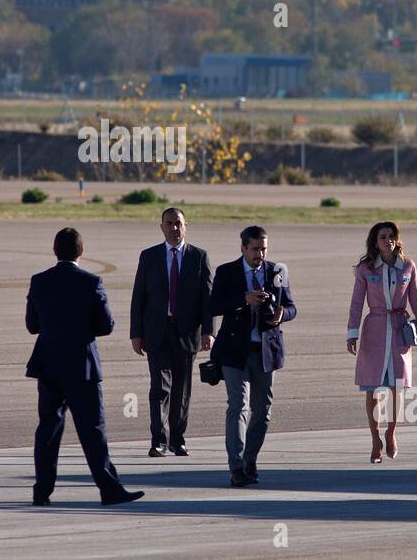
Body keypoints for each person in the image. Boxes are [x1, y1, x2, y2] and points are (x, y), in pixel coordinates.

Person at [25, 228, 143, 507]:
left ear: (55, 251)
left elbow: (32, 326)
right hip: (82, 366)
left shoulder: (39, 281)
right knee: (92, 431)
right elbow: (106, 325)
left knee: (48, 430)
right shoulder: (91, 281)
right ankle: (108, 488)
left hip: (49, 364)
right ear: (81, 251)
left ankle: (42, 491)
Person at [207, 225, 296, 487]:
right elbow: (213, 306)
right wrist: (243, 299)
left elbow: (291, 306)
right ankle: (236, 466)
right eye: (255, 248)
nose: (260, 253)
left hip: (266, 350)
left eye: (264, 248)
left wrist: (282, 314)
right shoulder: (227, 272)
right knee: (238, 405)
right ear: (243, 248)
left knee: (263, 410)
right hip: (235, 351)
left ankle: (250, 459)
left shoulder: (276, 271)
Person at [129, 207, 214, 457]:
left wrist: (208, 331)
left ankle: (178, 439)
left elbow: (207, 299)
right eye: (169, 224)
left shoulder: (199, 257)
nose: (174, 228)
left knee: (182, 390)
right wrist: (136, 333)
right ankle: (159, 440)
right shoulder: (149, 257)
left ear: (186, 225)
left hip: (188, 333)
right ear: (162, 227)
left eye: (178, 223)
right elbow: (139, 298)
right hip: (157, 331)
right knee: (160, 387)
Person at [346, 221, 417, 463]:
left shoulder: (408, 266)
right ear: (375, 241)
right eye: (383, 236)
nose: (388, 240)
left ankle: (391, 432)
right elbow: (355, 303)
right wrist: (352, 333)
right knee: (371, 388)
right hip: (374, 330)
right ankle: (375, 439)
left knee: (397, 387)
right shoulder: (366, 268)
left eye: (392, 236)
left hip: (398, 329)